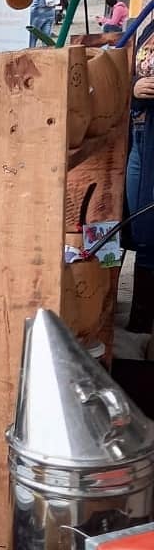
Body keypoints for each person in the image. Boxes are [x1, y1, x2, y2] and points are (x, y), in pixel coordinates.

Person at [126, 24, 154, 332]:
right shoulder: (149, 23)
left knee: (149, 231)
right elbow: (129, 70)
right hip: (138, 133)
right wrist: (134, 87)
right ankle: (139, 322)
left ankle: (141, 323)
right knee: (139, 226)